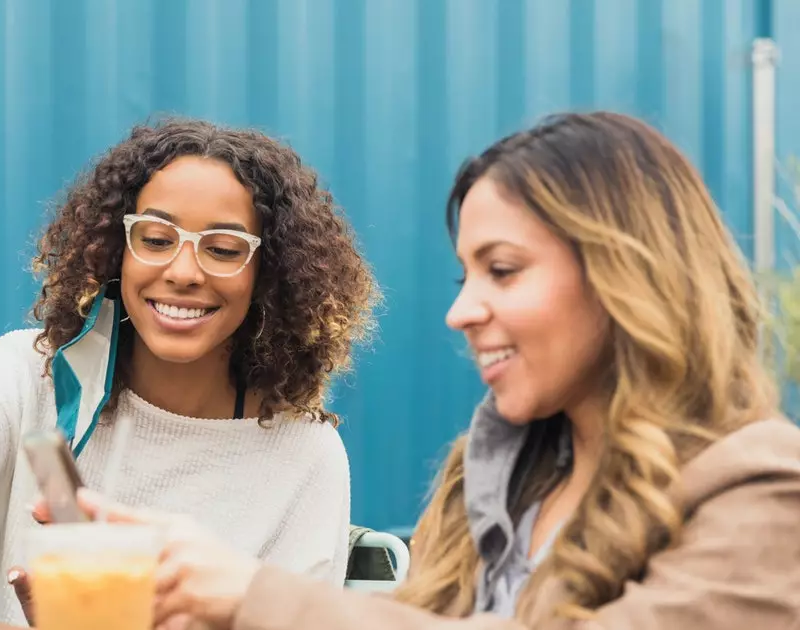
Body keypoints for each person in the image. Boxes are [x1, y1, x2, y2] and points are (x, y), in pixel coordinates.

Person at [45, 111, 800, 629]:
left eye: (502, 271)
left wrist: (247, 594)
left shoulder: (759, 488)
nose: (462, 312)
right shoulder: (492, 478)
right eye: (464, 277)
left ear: (627, 276)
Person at [0, 117, 381, 627]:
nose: (183, 272)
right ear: (115, 252)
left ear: (268, 275)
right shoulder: (29, 377)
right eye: (155, 239)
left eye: (222, 249)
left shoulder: (305, 455)